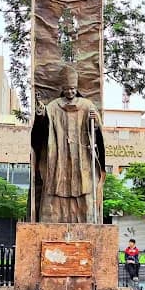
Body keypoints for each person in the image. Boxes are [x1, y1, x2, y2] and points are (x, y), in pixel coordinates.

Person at [31, 64, 105, 223]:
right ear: (62, 89)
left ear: (76, 88)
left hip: (81, 155)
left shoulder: (86, 105)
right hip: (59, 155)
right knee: (55, 183)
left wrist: (95, 121)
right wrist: (40, 113)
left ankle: (86, 218)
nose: (70, 92)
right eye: (67, 89)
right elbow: (43, 124)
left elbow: (97, 130)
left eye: (72, 89)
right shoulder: (54, 106)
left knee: (84, 184)